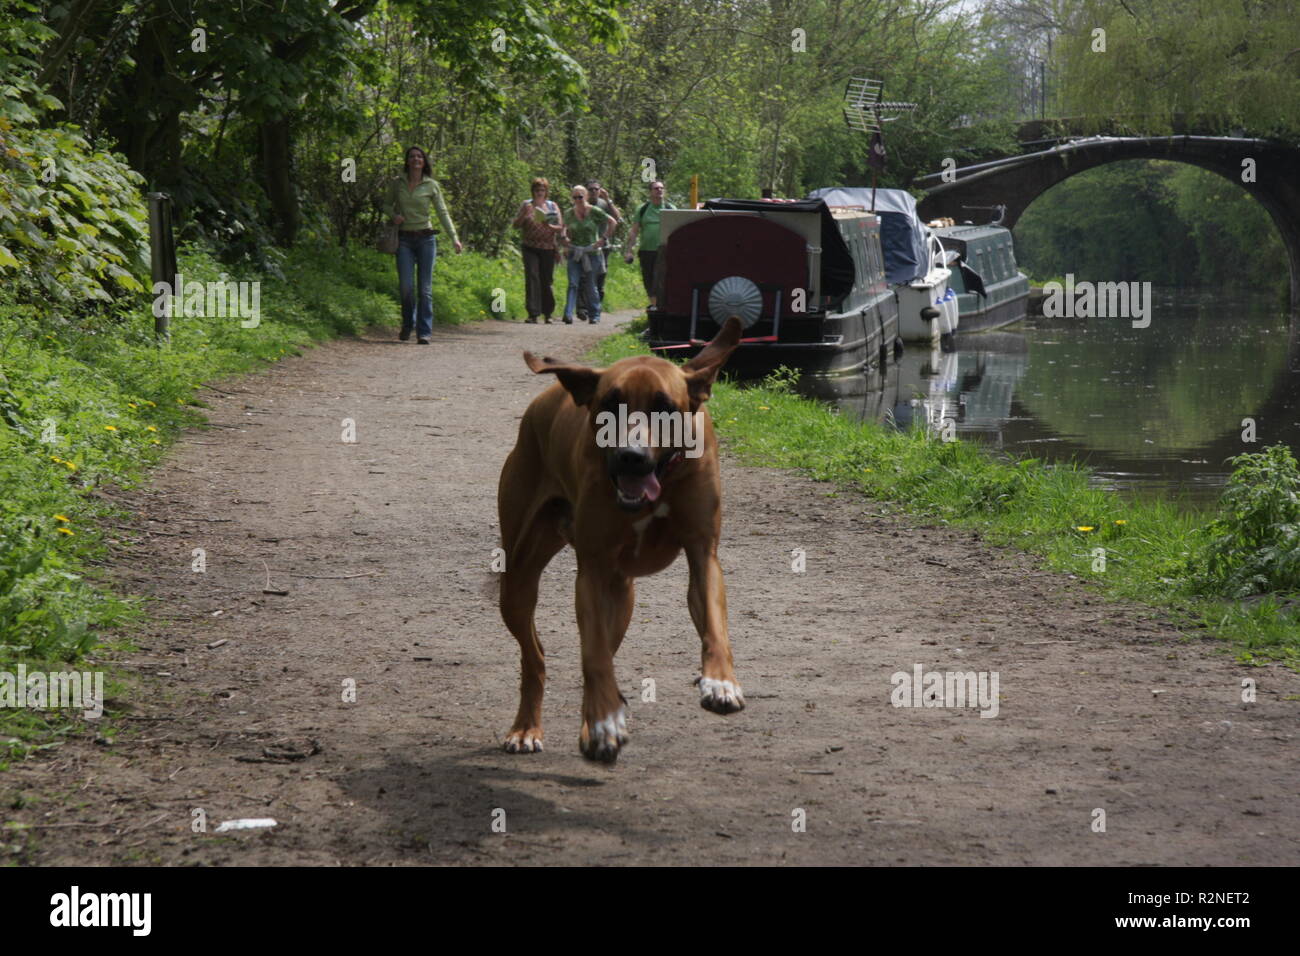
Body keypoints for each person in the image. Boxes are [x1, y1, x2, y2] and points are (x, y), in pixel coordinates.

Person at [386, 146, 461, 344]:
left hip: (426, 240)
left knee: (425, 289)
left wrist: (454, 238)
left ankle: (424, 332)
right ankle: (407, 324)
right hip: (403, 240)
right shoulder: (397, 183)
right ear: (407, 161)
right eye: (412, 156)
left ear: (424, 161)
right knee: (406, 287)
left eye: (419, 156)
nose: (416, 159)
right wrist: (394, 216)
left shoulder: (431, 185)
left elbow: (442, 212)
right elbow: (384, 203)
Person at [561, 185, 615, 325]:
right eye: (575, 197)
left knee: (591, 284)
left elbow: (612, 222)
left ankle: (595, 314)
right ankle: (568, 314)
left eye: (580, 196)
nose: (578, 199)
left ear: (585, 197)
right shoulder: (569, 213)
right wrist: (564, 239)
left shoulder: (595, 211)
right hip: (575, 252)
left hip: (592, 253)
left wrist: (603, 239)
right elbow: (564, 228)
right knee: (573, 283)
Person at [512, 177, 563, 323]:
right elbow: (515, 225)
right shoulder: (526, 205)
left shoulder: (552, 206)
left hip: (547, 247)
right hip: (530, 246)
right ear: (532, 191)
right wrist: (522, 216)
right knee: (532, 277)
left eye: (542, 190)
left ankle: (548, 313)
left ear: (546, 192)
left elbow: (560, 227)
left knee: (546, 280)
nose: (539, 193)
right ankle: (533, 313)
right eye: (537, 190)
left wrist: (549, 225)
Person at [576, 179, 622, 321]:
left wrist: (609, 200)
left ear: (600, 190)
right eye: (591, 189)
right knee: (583, 278)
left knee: (600, 279)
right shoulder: (582, 204)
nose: (594, 191)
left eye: (596, 189)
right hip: (585, 247)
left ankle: (595, 308)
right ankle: (582, 309)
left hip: (603, 247)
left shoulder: (604, 204)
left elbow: (617, 218)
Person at [623, 180, 674, 308]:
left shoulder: (670, 209)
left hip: (665, 250)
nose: (659, 190)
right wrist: (629, 250)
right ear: (650, 192)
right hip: (646, 250)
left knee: (662, 279)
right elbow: (634, 231)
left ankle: (662, 306)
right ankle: (654, 306)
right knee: (649, 279)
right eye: (656, 188)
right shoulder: (643, 209)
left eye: (661, 188)